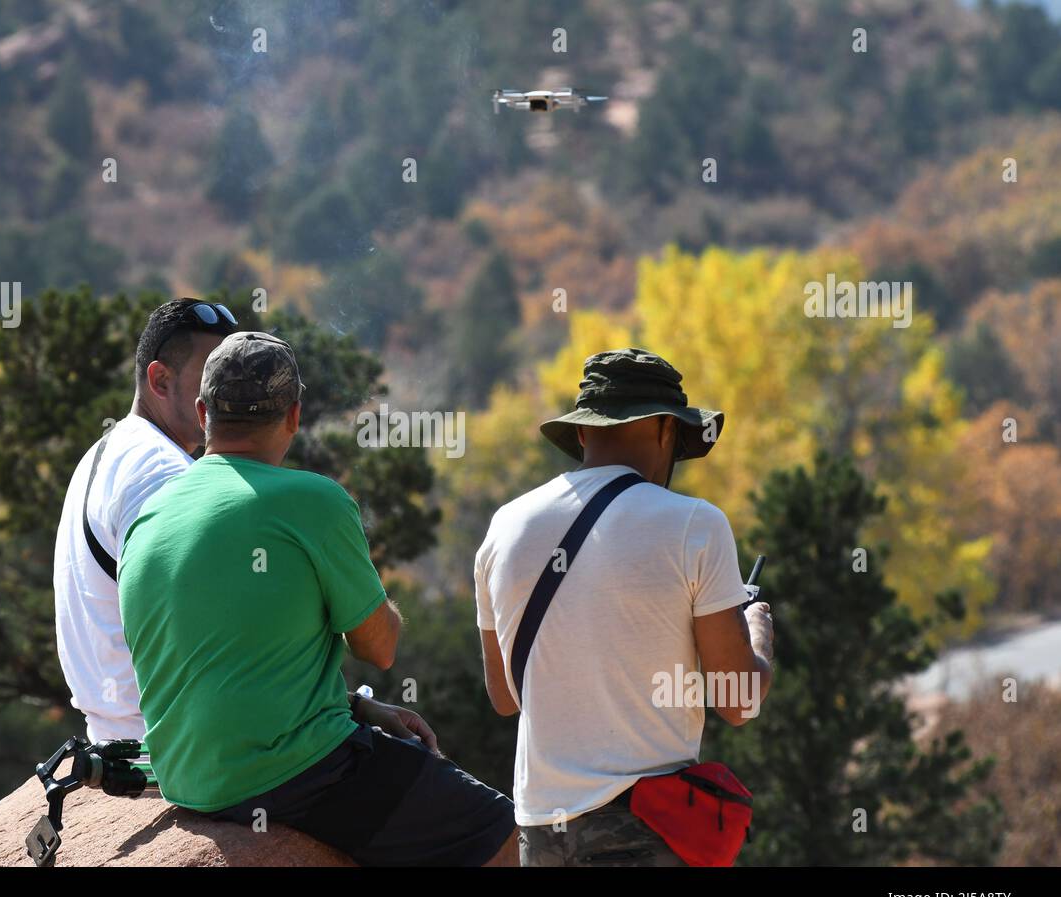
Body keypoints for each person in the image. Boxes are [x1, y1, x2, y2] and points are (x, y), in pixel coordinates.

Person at [120, 330, 518, 866]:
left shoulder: (150, 514)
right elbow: (379, 647)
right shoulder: (313, 500)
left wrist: (356, 706)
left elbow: (223, 658)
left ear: (202, 410)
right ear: (294, 416)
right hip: (291, 775)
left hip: (185, 778)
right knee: (504, 830)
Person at [473, 348, 775, 867]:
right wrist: (758, 627)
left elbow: (505, 697)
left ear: (585, 432)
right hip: (648, 825)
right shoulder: (695, 524)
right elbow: (738, 701)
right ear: (664, 430)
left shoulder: (504, 526)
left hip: (542, 827)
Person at [52, 298, 238, 742]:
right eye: (210, 380)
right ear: (160, 379)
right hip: (170, 747)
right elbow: (197, 635)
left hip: (118, 737)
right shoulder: (162, 472)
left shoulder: (108, 452)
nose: (225, 397)